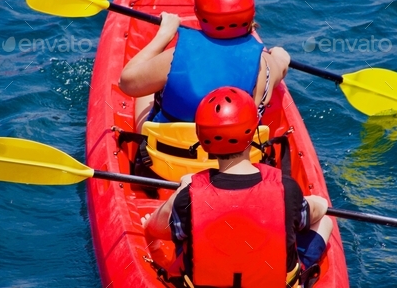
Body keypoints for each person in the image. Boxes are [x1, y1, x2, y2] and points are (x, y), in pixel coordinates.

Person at [142, 87, 333, 288]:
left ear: (202, 139)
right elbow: (318, 209)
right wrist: (313, 203)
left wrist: (184, 188)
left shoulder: (188, 197)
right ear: (254, 133)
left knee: (187, 236)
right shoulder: (287, 189)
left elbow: (158, 228)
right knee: (325, 221)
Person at [119, 0, 291, 132]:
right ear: (251, 15)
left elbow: (126, 83)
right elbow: (283, 62)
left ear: (197, 14)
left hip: (170, 156)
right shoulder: (265, 66)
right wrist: (277, 53)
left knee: (149, 88)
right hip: (233, 158)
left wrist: (164, 34)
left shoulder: (173, 58)